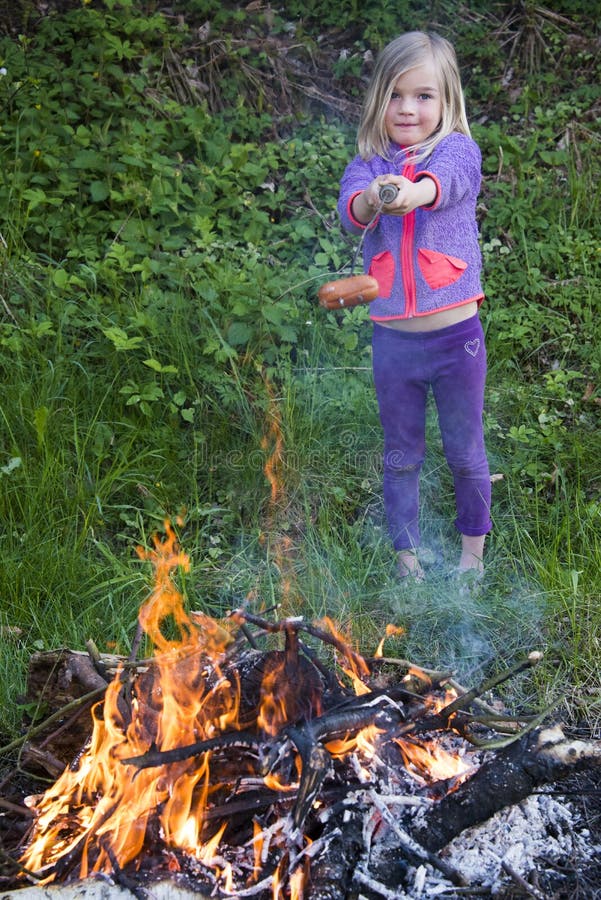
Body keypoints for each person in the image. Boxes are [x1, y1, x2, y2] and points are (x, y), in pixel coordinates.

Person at [337, 30, 492, 581]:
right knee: (402, 454)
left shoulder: (457, 150)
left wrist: (414, 192)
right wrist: (375, 194)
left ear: (447, 102)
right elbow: (351, 211)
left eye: (424, 96)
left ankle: (471, 556)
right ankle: (407, 557)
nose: (408, 108)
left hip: (457, 339)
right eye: (396, 95)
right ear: (379, 98)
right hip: (394, 342)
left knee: (465, 452)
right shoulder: (368, 162)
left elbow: (445, 184)